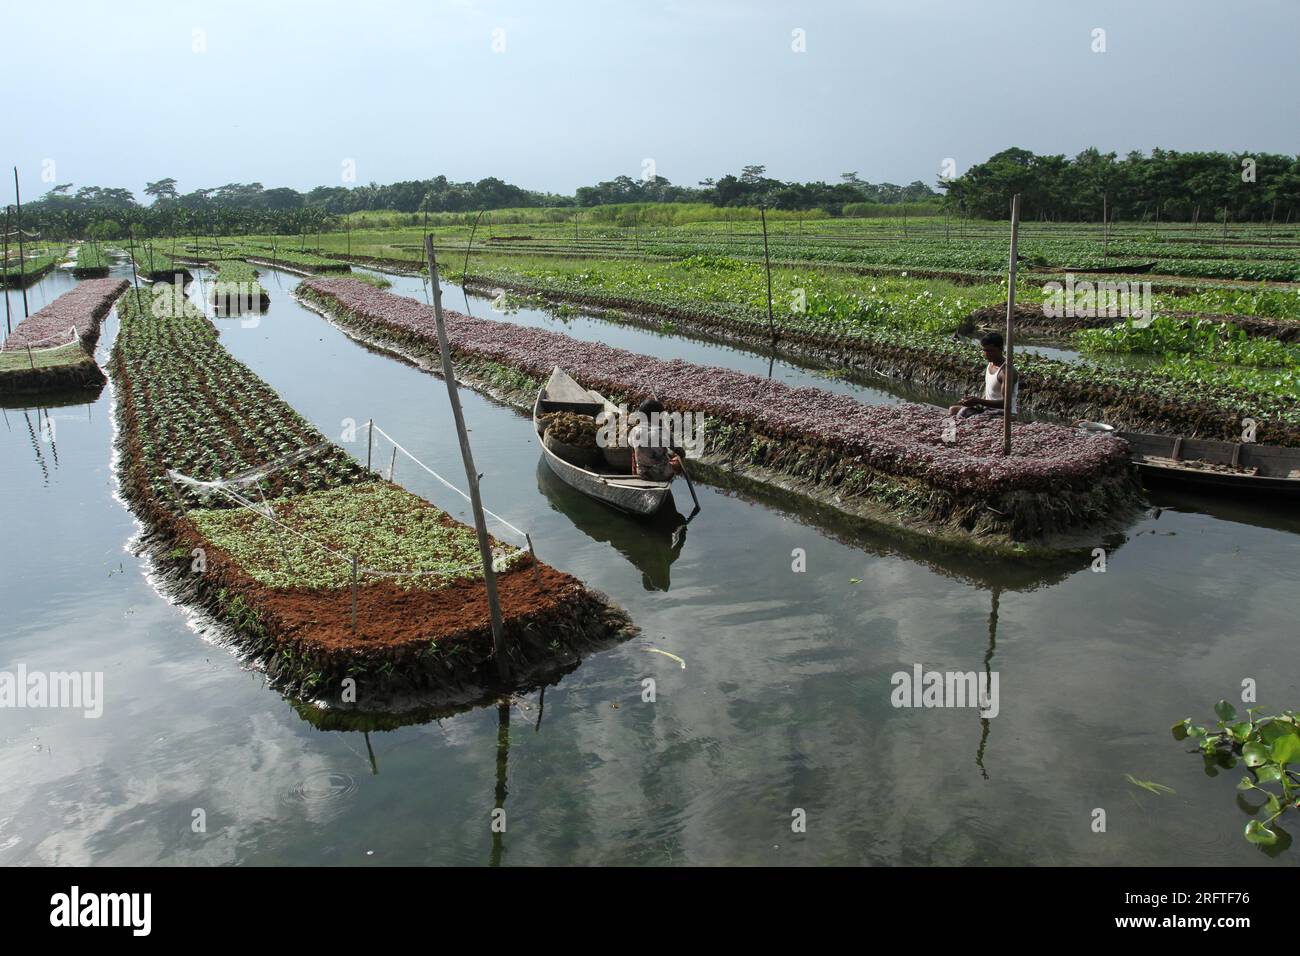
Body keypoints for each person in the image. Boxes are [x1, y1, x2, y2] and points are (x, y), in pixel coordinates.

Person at [948, 331, 1019, 419]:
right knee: (953, 409)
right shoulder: (990, 364)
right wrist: (972, 401)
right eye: (984, 350)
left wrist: (979, 401)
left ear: (1001, 349)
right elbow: (989, 396)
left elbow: (1006, 403)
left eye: (990, 351)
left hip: (1005, 412)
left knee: (971, 418)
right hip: (988, 408)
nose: (986, 354)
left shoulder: (1007, 372)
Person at [628, 398, 683, 481]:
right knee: (678, 460)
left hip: (642, 474)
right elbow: (681, 452)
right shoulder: (662, 431)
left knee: (635, 451)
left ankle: (635, 474)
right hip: (661, 475)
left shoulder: (634, 430)